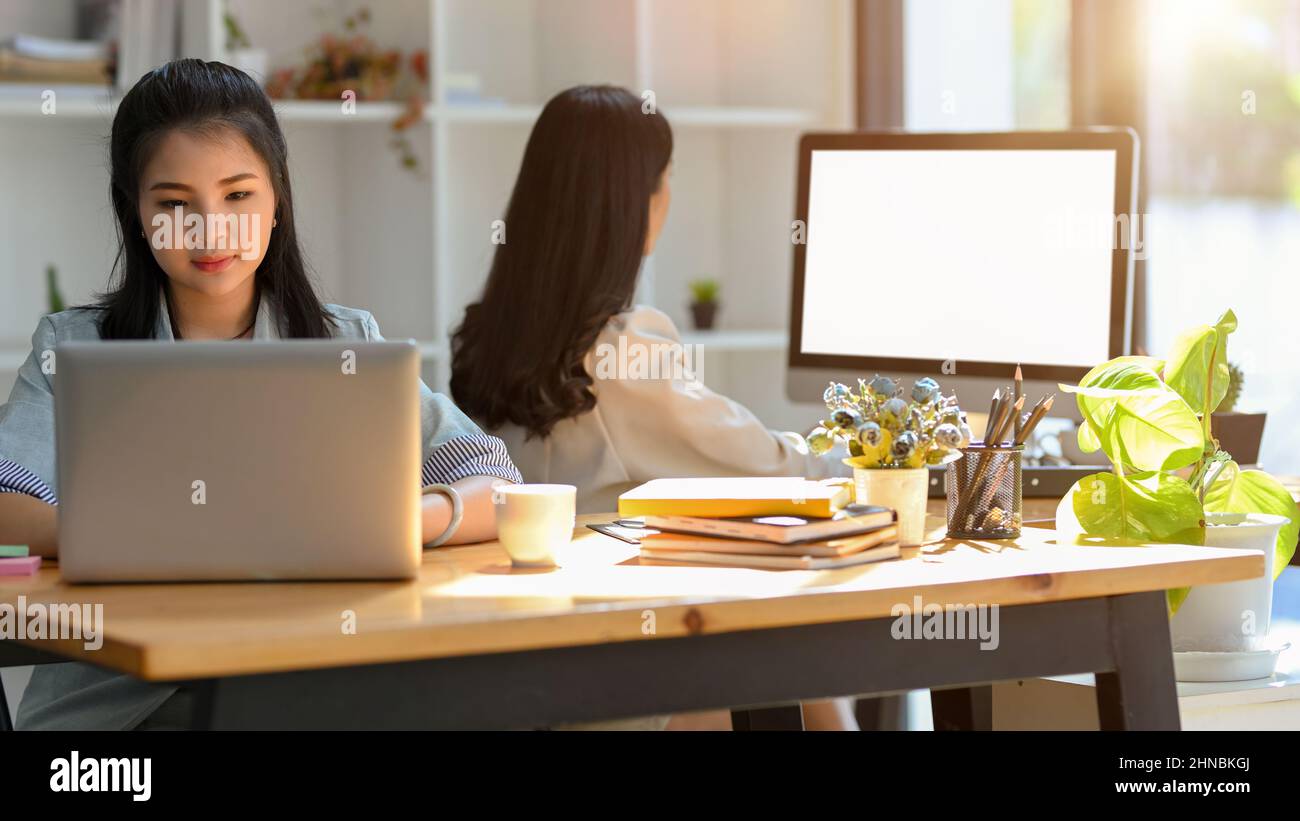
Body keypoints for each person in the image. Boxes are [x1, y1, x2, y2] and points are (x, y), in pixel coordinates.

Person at [0, 59, 520, 730]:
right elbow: (6, 502)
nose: (210, 229)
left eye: (238, 196)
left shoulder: (343, 342)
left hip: (308, 672)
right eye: (174, 203)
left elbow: (494, 481)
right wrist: (160, 533)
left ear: (277, 201)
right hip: (124, 704)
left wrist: (382, 524)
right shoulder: (74, 346)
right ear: (136, 215)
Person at [450, 86, 857, 731]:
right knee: (801, 665)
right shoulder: (620, 351)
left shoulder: (490, 337)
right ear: (635, 203)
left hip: (530, 667)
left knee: (797, 667)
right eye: (663, 182)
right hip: (619, 682)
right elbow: (766, 467)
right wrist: (873, 455)